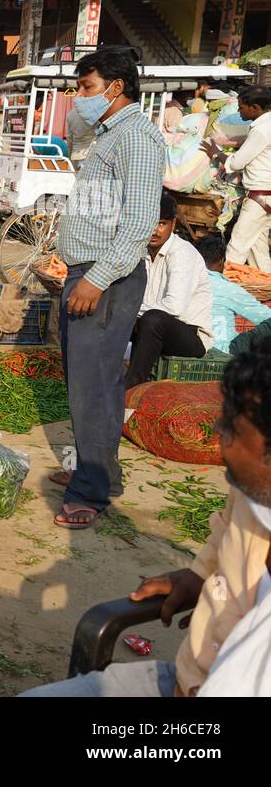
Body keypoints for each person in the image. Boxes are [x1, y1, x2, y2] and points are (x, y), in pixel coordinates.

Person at [22, 336, 271, 697]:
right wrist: (199, 574)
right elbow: (223, 536)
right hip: (185, 681)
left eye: (232, 425)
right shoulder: (249, 491)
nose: (218, 432)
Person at [52, 47, 165, 529]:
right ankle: (102, 473)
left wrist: (96, 279)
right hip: (88, 270)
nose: (80, 98)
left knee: (92, 387)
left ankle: (90, 491)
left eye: (88, 88)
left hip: (107, 277)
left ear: (116, 88)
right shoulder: (110, 133)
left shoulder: (137, 138)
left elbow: (140, 221)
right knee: (93, 381)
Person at [122, 194, 213, 389]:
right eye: (150, 224)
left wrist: (132, 314)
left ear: (173, 224)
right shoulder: (140, 251)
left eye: (161, 224)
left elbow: (174, 306)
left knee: (153, 320)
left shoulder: (182, 253)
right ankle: (102, 378)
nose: (154, 231)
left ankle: (132, 387)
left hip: (190, 337)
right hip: (147, 325)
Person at [205, 85, 271, 271]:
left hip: (260, 194)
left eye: (241, 107)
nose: (238, 111)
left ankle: (225, 288)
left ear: (255, 108)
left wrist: (216, 152)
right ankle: (266, 290)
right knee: (257, 250)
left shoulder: (261, 130)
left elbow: (236, 163)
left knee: (237, 247)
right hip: (266, 195)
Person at [197, 233, 271, 355]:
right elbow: (265, 317)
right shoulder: (228, 288)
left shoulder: (184, 282)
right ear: (222, 261)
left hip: (192, 346)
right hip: (223, 351)